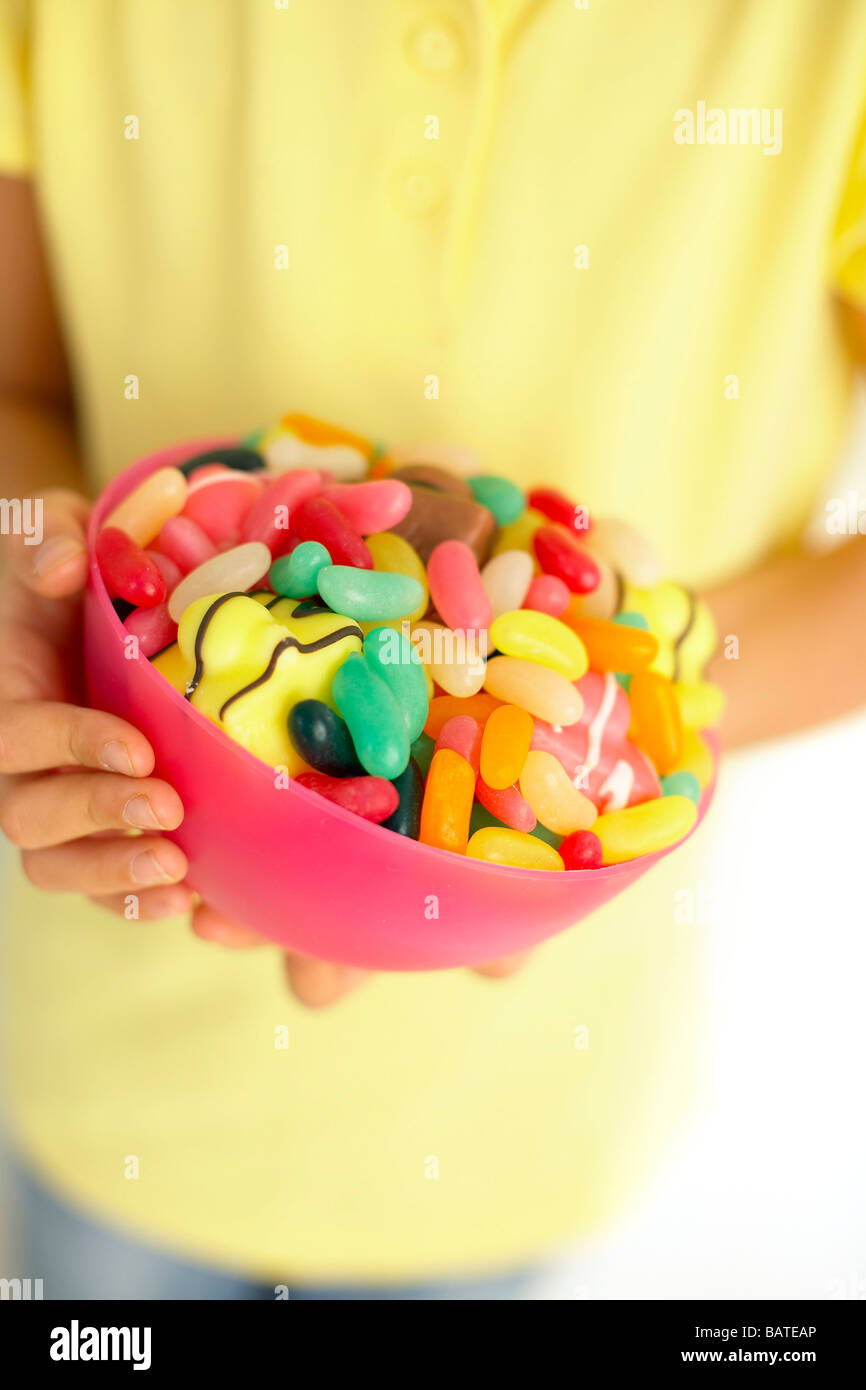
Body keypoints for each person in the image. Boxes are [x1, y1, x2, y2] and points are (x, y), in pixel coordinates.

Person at [1, 1, 866, 1299]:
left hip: (512, 1109)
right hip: (114, 1062)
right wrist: (36, 577)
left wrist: (601, 718)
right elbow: (14, 395)